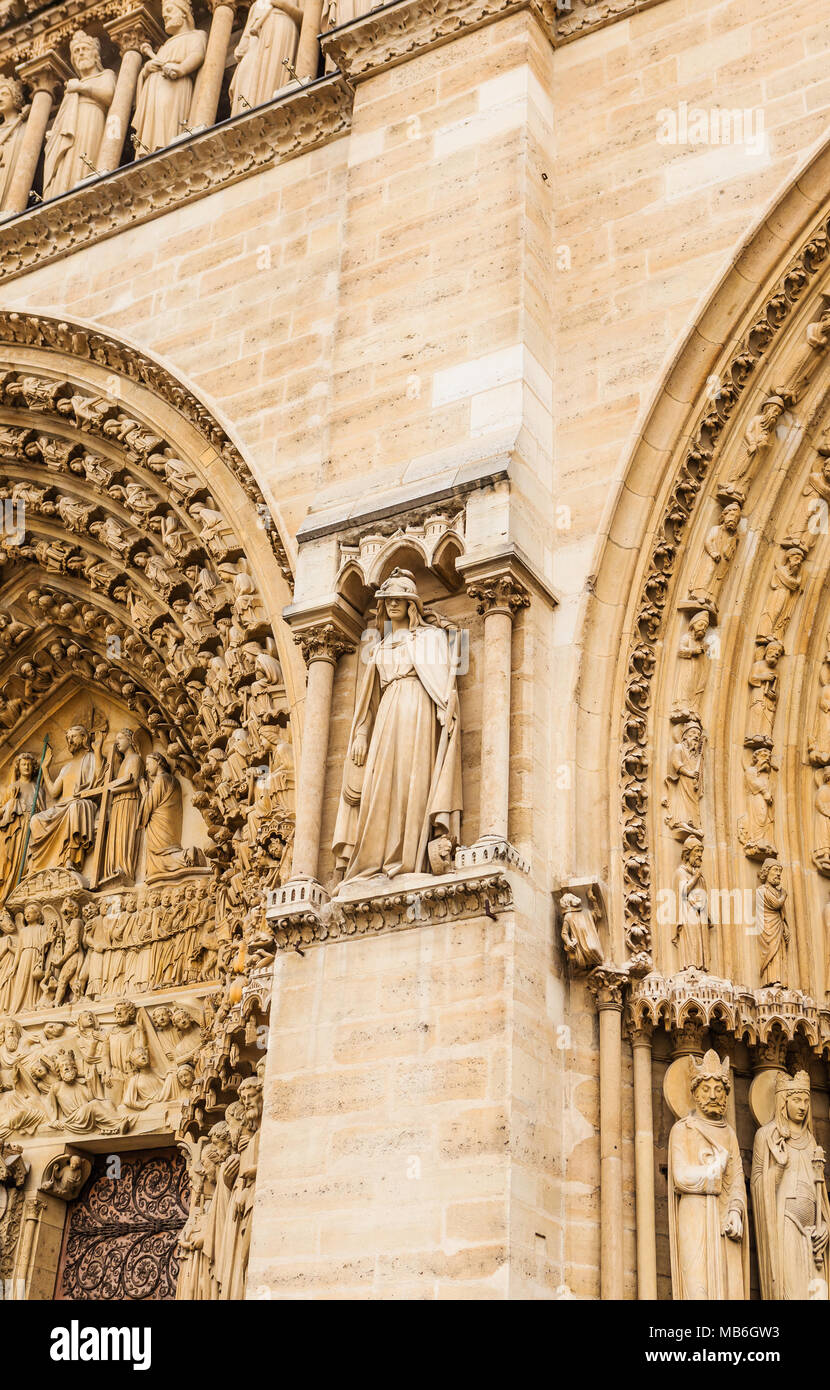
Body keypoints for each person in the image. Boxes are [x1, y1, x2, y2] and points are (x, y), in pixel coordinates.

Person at [333, 569, 462, 882]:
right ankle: (372, 861)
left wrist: (445, 708)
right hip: (387, 714)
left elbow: (443, 675)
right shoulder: (379, 647)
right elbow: (368, 702)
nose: (392, 603)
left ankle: (407, 860)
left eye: (399, 598)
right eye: (387, 599)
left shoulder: (429, 637)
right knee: (379, 783)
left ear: (411, 604)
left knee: (410, 779)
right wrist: (362, 734)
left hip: (417, 709)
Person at [751, 1070, 830, 1299]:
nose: (803, 1106)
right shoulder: (766, 1136)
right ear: (783, 1101)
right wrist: (779, 1167)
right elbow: (757, 1185)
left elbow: (821, 1194)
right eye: (796, 1099)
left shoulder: (811, 1141)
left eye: (806, 1100)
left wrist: (826, 1225)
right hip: (785, 1227)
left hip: (813, 1236)